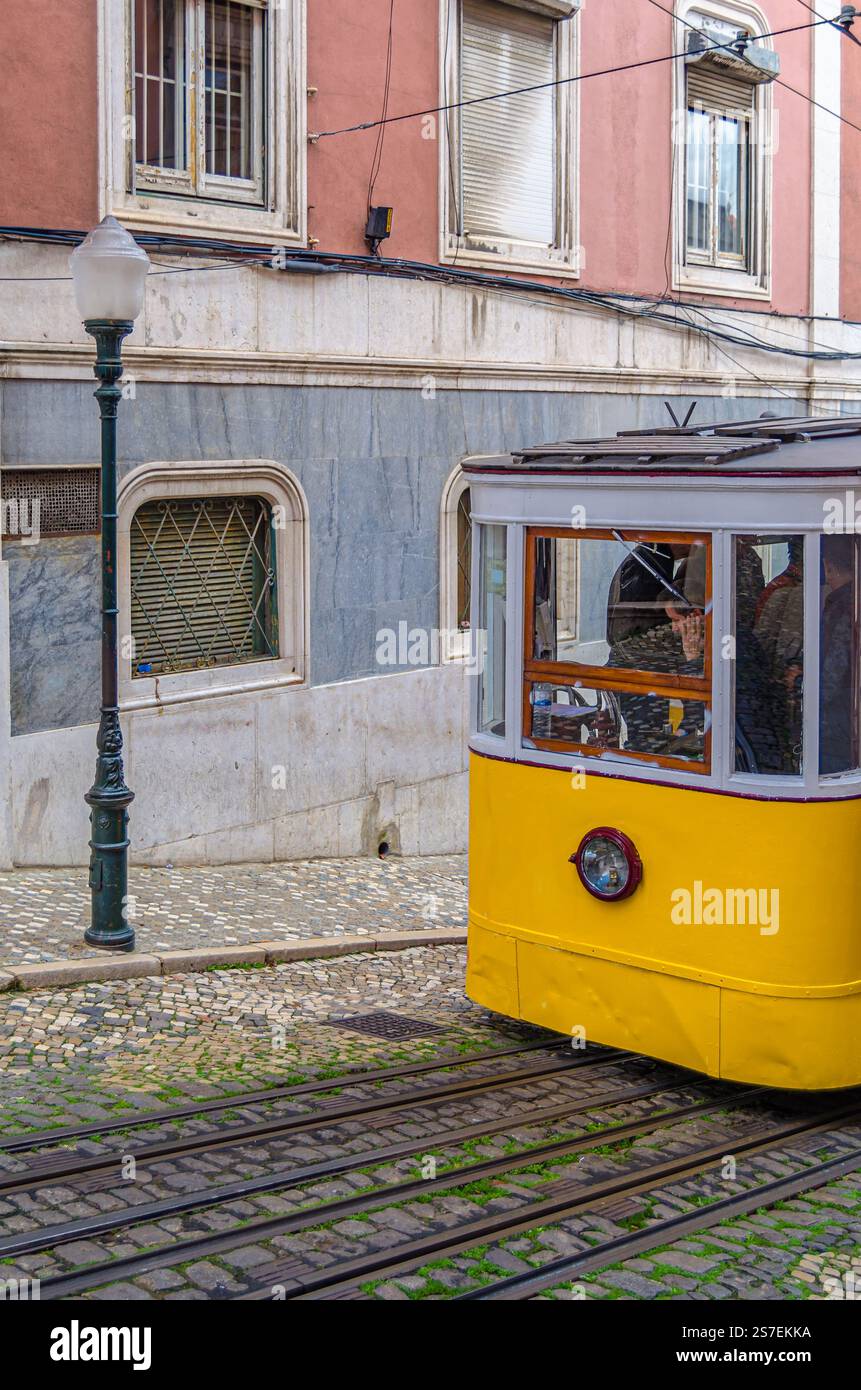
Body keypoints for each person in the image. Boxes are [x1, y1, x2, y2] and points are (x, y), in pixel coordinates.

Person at [820, 534, 858, 774]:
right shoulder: (853, 601)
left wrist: (806, 689)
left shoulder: (841, 609)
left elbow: (832, 674)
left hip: (836, 726)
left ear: (828, 566)